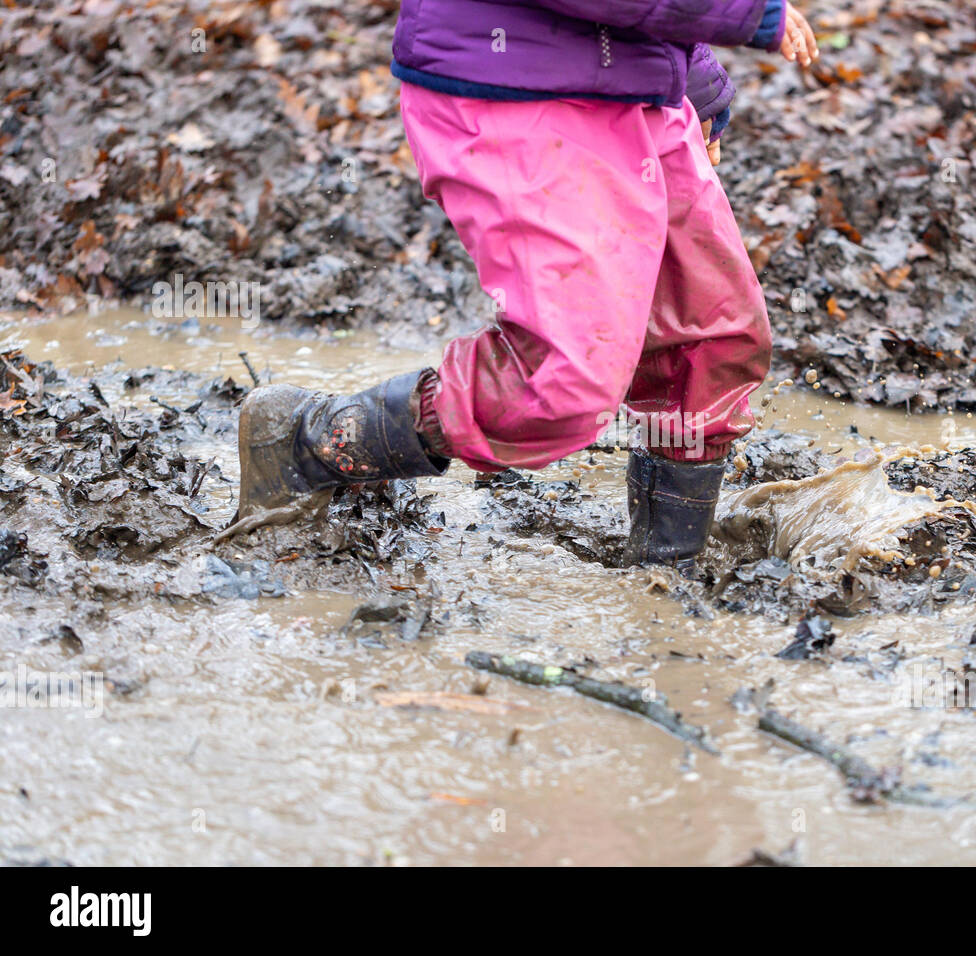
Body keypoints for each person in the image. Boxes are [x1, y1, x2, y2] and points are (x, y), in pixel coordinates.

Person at [222, 0, 819, 574]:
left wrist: (691, 68)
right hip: (509, 88)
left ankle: (664, 576)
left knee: (711, 334)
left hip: (634, 80)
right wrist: (743, 12)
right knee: (563, 379)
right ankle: (308, 439)